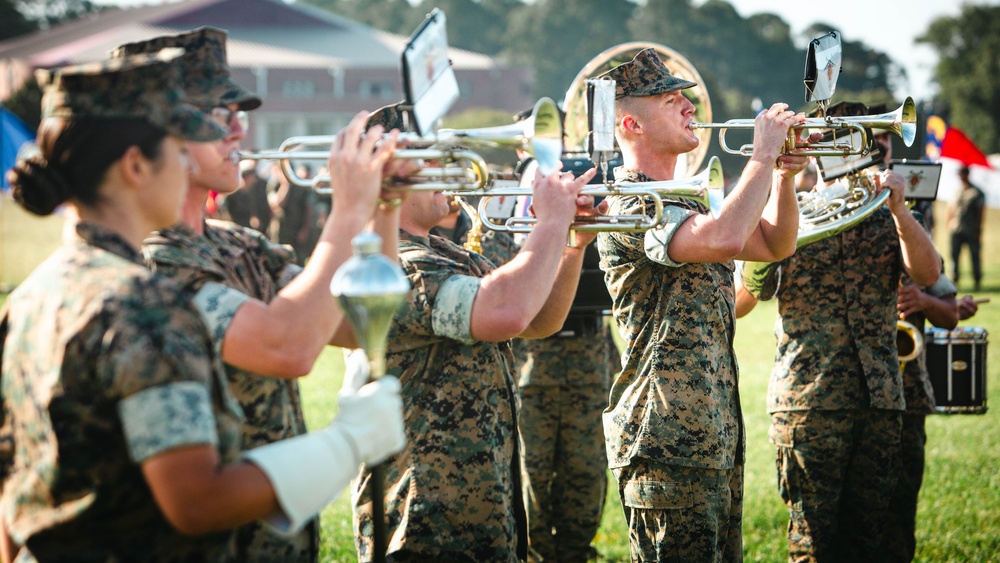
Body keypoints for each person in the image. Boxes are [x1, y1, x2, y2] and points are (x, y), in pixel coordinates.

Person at [0, 51, 404, 562]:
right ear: (135, 165)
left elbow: (15, 494)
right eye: (178, 148)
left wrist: (379, 207)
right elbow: (197, 500)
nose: (189, 161)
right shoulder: (140, 299)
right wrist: (347, 444)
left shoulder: (31, 294)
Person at [111, 27, 417, 561]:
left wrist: (383, 206)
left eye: (238, 113)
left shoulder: (238, 243)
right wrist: (347, 211)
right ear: (162, 131)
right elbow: (287, 348)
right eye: (215, 114)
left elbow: (362, 321)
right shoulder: (154, 263)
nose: (237, 131)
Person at [594, 48, 810, 561]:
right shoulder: (629, 202)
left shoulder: (689, 199)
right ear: (631, 124)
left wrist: (782, 175)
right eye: (672, 101)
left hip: (709, 433)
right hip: (663, 438)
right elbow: (725, 241)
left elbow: (776, 244)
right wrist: (759, 157)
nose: (690, 108)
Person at [351, 153, 602, 561]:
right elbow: (507, 312)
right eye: (424, 162)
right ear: (387, 182)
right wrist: (551, 222)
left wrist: (572, 246)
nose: (442, 171)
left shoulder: (447, 254)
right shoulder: (395, 267)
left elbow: (538, 321)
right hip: (423, 523)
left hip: (484, 509)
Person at [735, 100, 943, 561]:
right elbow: (748, 296)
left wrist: (901, 214)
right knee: (811, 542)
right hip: (808, 399)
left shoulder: (888, 211)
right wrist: (779, 191)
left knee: (868, 539)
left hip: (880, 396)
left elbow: (929, 276)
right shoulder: (790, 212)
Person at [883, 272, 958, 562]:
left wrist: (923, 300)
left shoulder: (916, 249)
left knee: (898, 517)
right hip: (846, 401)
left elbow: (950, 315)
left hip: (907, 402)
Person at [947, 166, 985, 290]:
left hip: (971, 230)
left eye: (962, 174)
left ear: (967, 174)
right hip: (956, 229)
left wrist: (979, 230)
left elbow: (980, 212)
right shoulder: (956, 191)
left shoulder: (976, 192)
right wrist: (949, 224)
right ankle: (955, 280)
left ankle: (977, 280)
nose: (960, 177)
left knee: (974, 257)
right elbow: (951, 209)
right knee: (954, 257)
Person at [221, 159, 272, 233]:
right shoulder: (232, 195)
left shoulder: (254, 193)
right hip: (236, 229)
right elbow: (225, 212)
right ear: (246, 177)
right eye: (252, 178)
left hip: (250, 230)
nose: (254, 180)